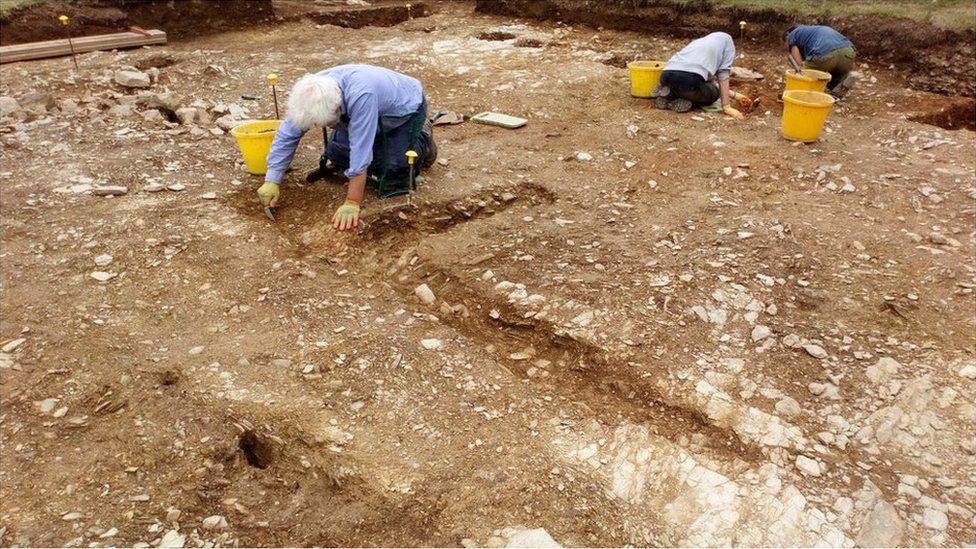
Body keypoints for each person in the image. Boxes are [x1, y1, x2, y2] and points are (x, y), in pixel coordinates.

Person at [256, 64, 437, 231]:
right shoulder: (311, 92)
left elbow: (360, 151)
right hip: (363, 108)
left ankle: (423, 138)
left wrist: (352, 202)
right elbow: (288, 133)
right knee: (338, 155)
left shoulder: (361, 96)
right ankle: (380, 139)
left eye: (329, 123)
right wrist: (272, 179)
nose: (329, 127)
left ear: (336, 110)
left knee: (393, 168)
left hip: (404, 108)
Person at [652, 32, 749, 120]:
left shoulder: (698, 43)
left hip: (666, 74)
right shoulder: (728, 43)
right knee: (713, 93)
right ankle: (687, 100)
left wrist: (736, 96)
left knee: (691, 85)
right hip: (688, 79)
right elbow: (723, 75)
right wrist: (726, 106)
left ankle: (670, 94)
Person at [785, 25, 857, 98]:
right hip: (848, 52)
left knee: (804, 73)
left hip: (825, 53)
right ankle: (839, 88)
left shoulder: (793, 33)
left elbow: (797, 60)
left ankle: (805, 93)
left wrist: (802, 70)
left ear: (787, 34)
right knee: (835, 78)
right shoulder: (813, 30)